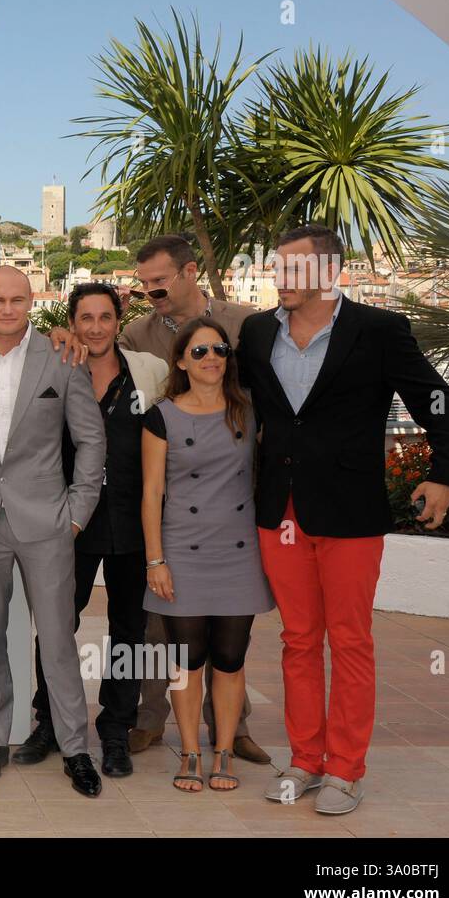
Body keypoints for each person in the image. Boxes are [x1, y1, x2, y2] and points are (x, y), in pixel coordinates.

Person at [241, 224, 449, 814]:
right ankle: (304, 759)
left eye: (292, 269)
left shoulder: (379, 330)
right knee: (296, 640)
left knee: (350, 640)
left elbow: (439, 401)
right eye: (277, 268)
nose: (279, 279)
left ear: (327, 272)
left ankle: (345, 769)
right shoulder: (258, 331)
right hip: (277, 510)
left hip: (350, 512)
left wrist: (444, 474)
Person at [49, 234, 268, 765]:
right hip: (109, 516)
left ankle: (229, 729)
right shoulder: (139, 334)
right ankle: (140, 721)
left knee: (223, 629)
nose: (153, 294)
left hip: (214, 506)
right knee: (151, 628)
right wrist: (57, 334)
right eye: (144, 287)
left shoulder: (244, 324)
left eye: (159, 283)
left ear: (191, 272)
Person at [0, 266, 107, 796]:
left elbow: (91, 441)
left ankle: (75, 748)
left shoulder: (63, 357)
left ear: (32, 301)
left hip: (48, 522)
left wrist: (76, 512)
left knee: (57, 640)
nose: (7, 309)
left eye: (17, 299)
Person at [16, 283, 168, 779]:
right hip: (69, 521)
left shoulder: (149, 372)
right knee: (59, 625)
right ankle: (51, 722)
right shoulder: (56, 365)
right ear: (73, 322)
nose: (96, 327)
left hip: (132, 520)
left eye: (105, 317)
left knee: (129, 632)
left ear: (118, 320)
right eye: (86, 318)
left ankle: (115, 730)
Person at [141, 316, 273, 793]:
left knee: (231, 658)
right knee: (188, 659)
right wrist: (156, 560)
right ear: (181, 361)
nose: (211, 358)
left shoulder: (248, 411)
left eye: (219, 349)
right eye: (199, 351)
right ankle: (190, 752)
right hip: (182, 549)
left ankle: (223, 754)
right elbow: (151, 492)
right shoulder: (161, 415)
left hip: (238, 551)